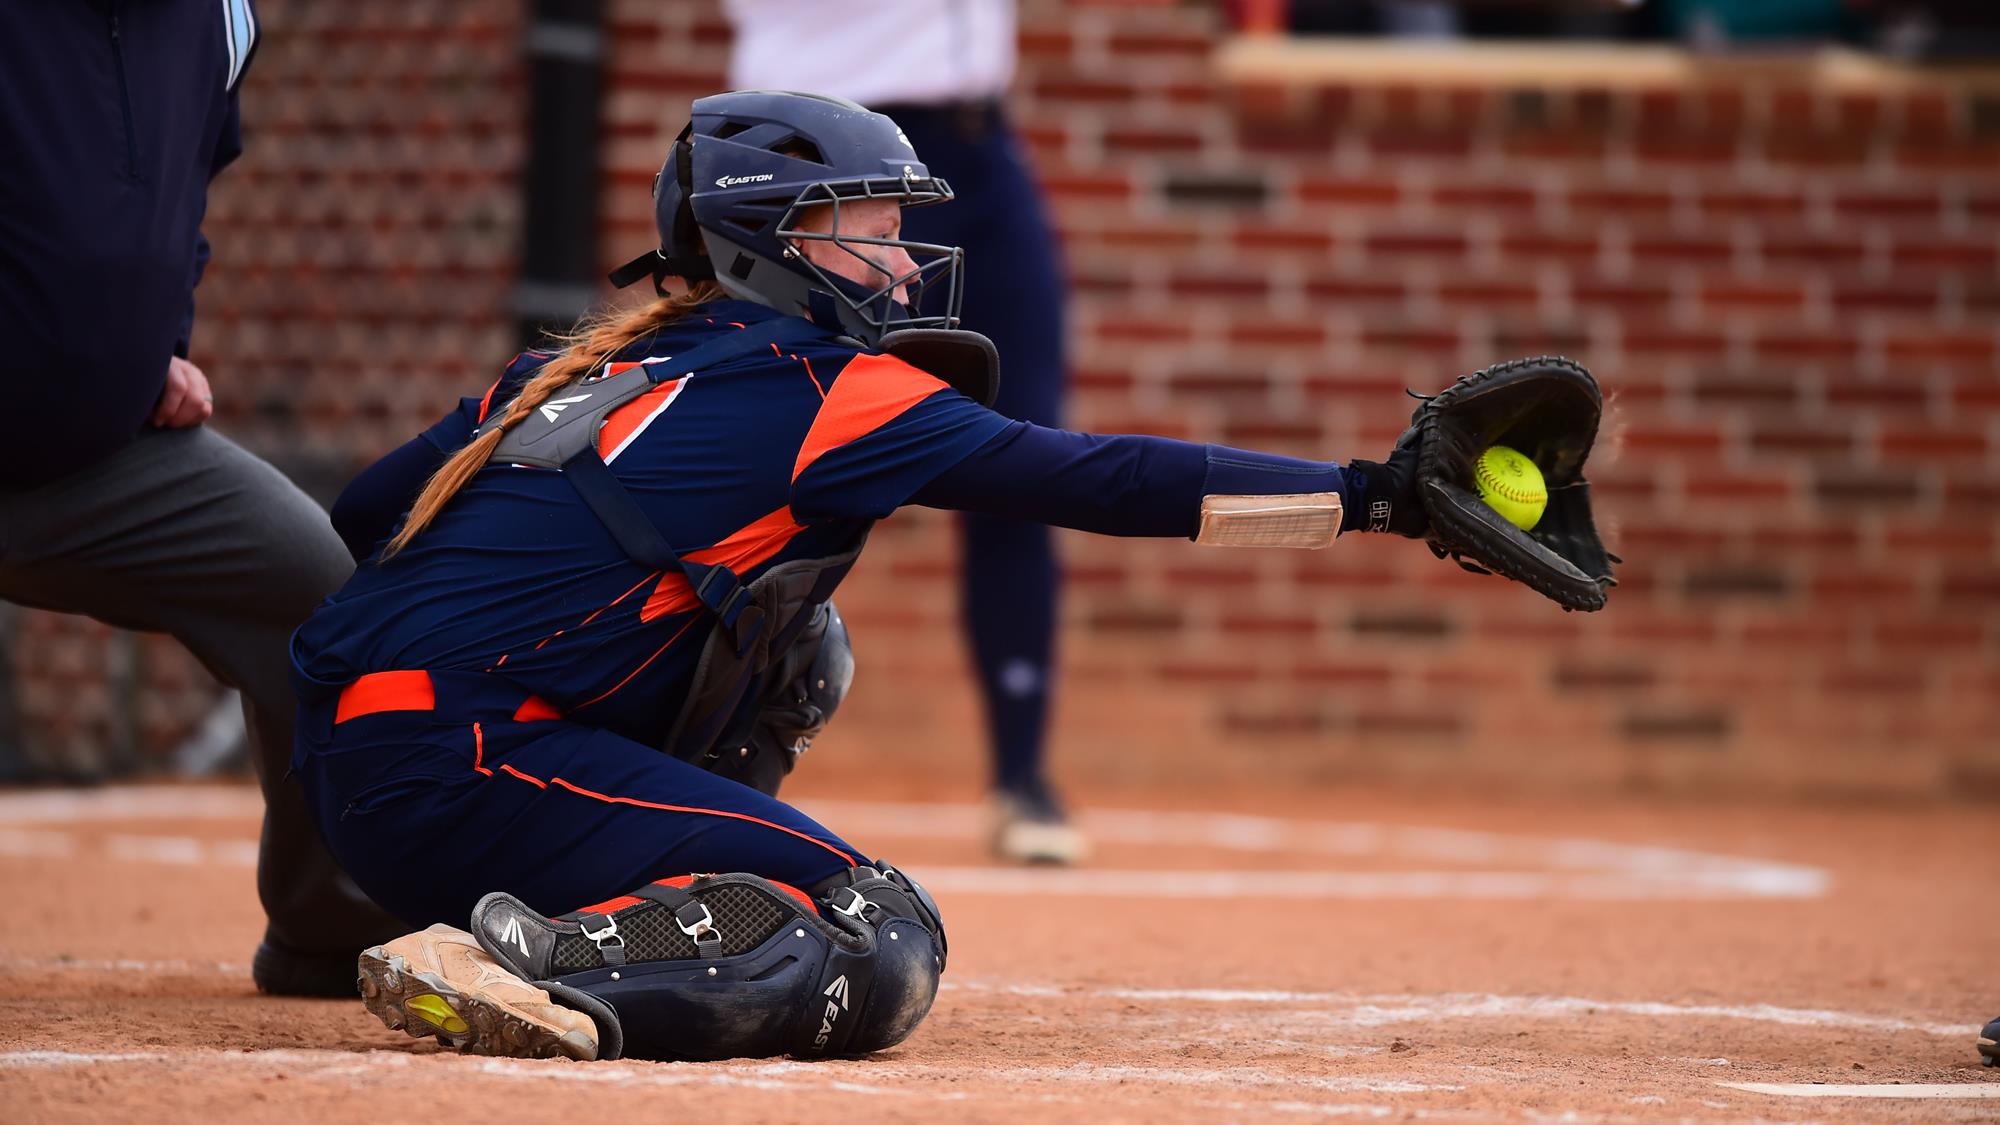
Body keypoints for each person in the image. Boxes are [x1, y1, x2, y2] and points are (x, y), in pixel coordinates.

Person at [302, 91, 1597, 1063]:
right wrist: (1375, 496)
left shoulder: (571, 368)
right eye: (868, 227)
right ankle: (533, 963)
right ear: (774, 240)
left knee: (801, 636)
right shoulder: (833, 388)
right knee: (870, 928)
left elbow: (364, 517)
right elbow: (1099, 478)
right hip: (467, 775)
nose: (905, 257)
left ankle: (393, 910)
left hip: (376, 775)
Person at [0, 0, 403, 996]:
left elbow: (175, 197)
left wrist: (160, 339)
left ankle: (329, 921)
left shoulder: (219, 17)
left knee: (315, 592)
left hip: (95, 463)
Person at [724, 0, 1085, 863]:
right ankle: (700, 764)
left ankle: (1022, 771)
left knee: (1022, 451)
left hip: (976, 145)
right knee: (755, 455)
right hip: (815, 152)